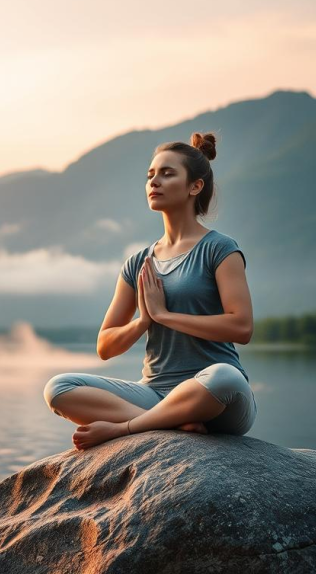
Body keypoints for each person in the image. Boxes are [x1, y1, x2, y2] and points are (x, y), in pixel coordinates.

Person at [43, 132, 257, 451]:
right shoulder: (138, 262)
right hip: (155, 392)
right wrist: (143, 321)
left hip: (215, 397)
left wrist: (165, 315)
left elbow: (241, 327)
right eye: (150, 175)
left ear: (194, 186)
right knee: (59, 388)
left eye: (167, 174)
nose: (154, 181)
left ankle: (127, 428)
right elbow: (105, 346)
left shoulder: (220, 249)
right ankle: (172, 423)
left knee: (224, 377)